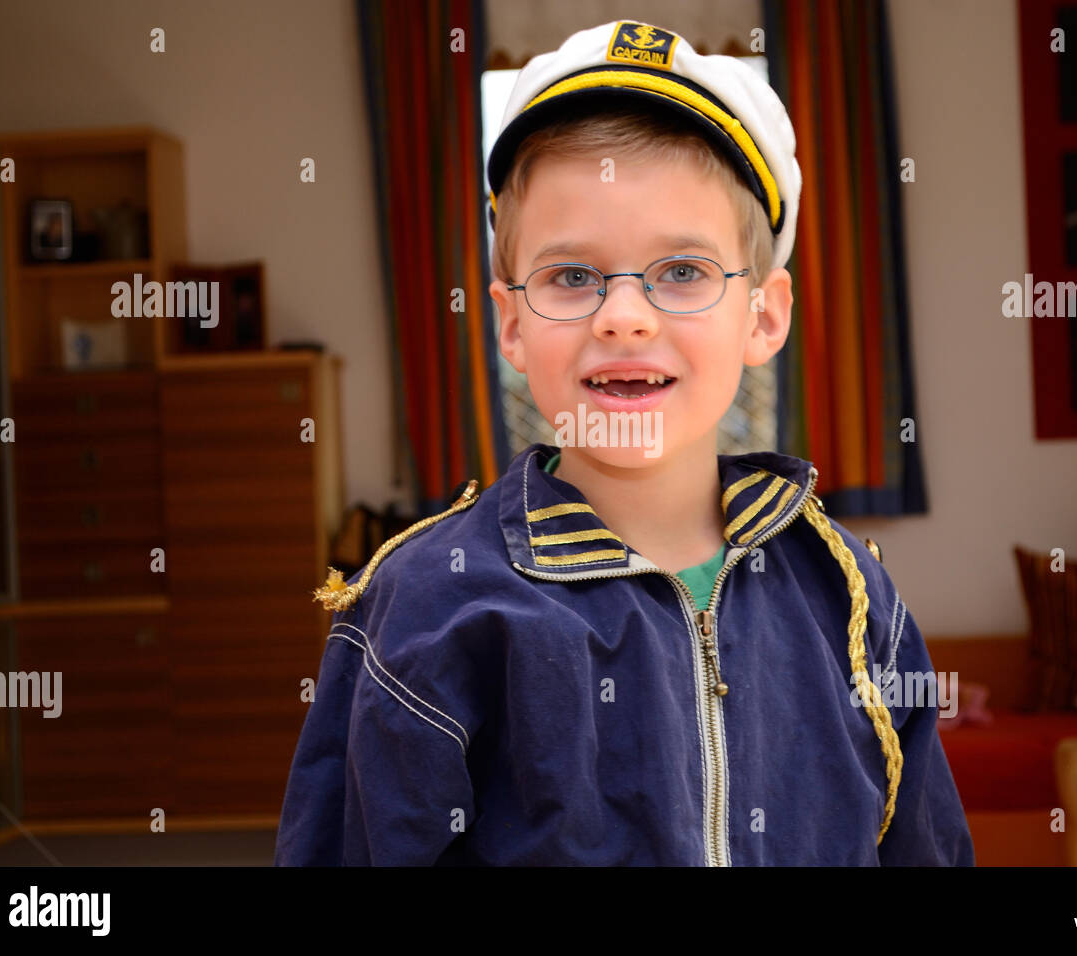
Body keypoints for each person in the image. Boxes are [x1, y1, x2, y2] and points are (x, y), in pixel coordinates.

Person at [275, 19, 974, 866]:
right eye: (573, 277)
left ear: (764, 316)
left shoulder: (852, 601)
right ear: (510, 325)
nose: (624, 315)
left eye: (682, 272)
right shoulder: (426, 609)